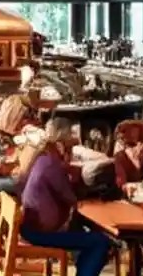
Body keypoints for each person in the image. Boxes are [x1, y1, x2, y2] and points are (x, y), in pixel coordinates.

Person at [17, 118, 112, 276]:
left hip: (31, 227)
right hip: (41, 233)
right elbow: (72, 199)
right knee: (100, 242)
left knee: (85, 234)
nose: (71, 150)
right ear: (61, 144)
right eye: (70, 146)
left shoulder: (42, 158)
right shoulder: (52, 165)